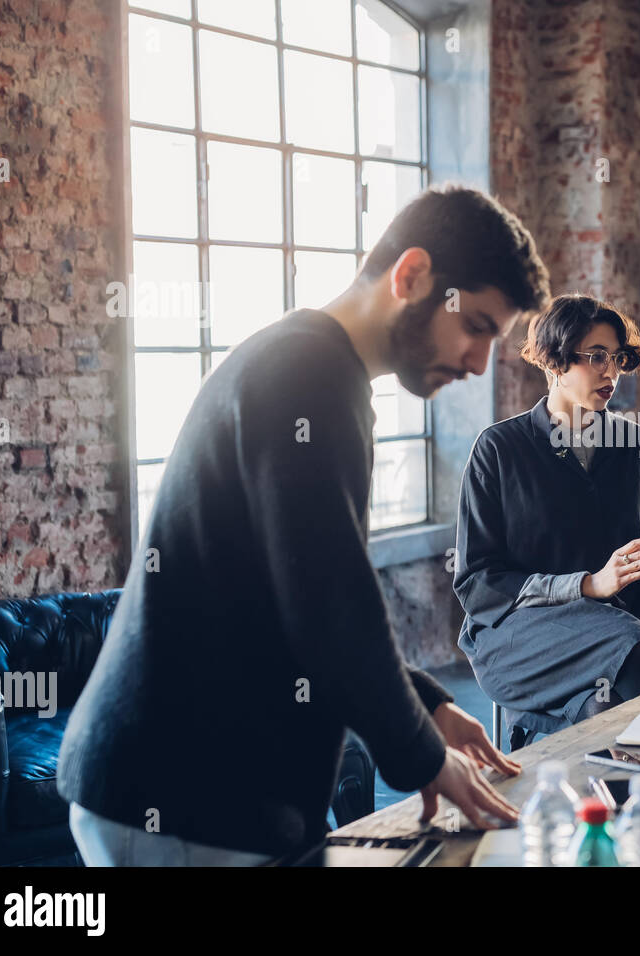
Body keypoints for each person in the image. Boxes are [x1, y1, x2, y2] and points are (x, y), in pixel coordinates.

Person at [58, 185, 550, 865]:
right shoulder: (309, 376)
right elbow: (330, 610)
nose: (477, 363)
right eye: (479, 327)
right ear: (411, 276)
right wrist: (422, 753)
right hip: (181, 801)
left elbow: (302, 592)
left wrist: (428, 705)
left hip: (192, 794)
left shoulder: (314, 369)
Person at [454, 294, 640, 735]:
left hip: (623, 632)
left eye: (616, 358)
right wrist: (587, 585)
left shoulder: (638, 449)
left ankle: (635, 798)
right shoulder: (499, 449)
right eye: (596, 357)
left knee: (609, 707)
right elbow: (477, 584)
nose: (611, 371)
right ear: (555, 362)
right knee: (636, 648)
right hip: (519, 639)